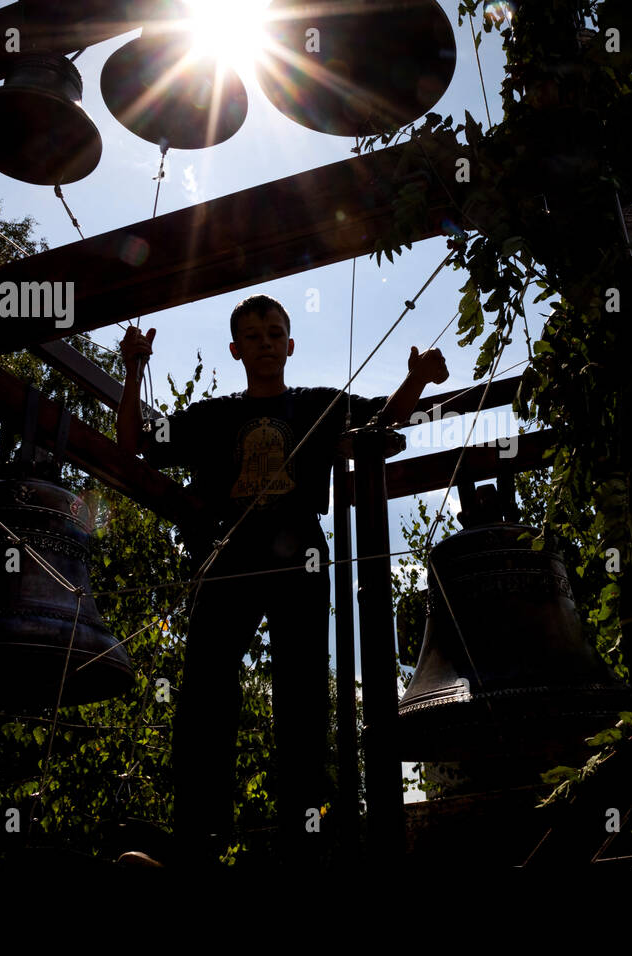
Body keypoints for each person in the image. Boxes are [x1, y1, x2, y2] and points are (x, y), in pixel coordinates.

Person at [116, 293, 448, 865]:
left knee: (302, 699)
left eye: (275, 334)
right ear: (236, 349)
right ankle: (194, 845)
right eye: (254, 336)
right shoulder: (212, 417)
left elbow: (382, 417)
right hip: (233, 553)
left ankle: (308, 846)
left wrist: (416, 379)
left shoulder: (317, 406)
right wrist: (134, 370)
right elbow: (133, 444)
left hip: (301, 558)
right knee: (203, 693)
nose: (266, 343)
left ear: (290, 345)